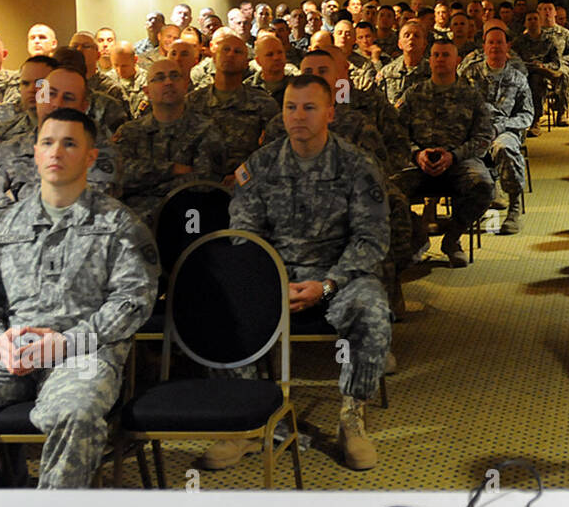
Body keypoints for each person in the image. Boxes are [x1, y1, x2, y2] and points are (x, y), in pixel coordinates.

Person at [204, 75, 391, 472]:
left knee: (372, 309)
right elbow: (245, 235)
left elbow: (371, 239)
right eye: (291, 107)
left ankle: (352, 418)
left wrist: (327, 284)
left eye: (309, 107)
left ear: (329, 113)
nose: (298, 116)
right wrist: (270, 280)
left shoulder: (357, 165)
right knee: (219, 301)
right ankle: (248, 421)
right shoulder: (261, 165)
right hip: (275, 274)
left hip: (338, 277)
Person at [0, 108, 158, 488]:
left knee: (77, 411)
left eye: (70, 143)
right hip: (14, 350)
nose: (56, 152)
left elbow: (133, 303)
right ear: (35, 152)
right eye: (48, 143)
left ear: (90, 157)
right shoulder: (6, 225)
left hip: (85, 349)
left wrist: (64, 343)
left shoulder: (119, 224)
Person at [398, 39, 495, 268]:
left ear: (457, 61)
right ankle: (417, 235)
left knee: (484, 188)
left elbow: (483, 136)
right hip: (419, 163)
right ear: (429, 61)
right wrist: (416, 154)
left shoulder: (470, 95)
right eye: (436, 55)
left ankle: (452, 240)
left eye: (445, 55)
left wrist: (454, 155)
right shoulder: (414, 94)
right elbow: (397, 134)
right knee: (382, 191)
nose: (440, 60)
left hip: (459, 162)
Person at [112, 58, 226, 227]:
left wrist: (143, 184)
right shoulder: (130, 132)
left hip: (188, 218)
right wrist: (172, 169)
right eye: (159, 78)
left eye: (174, 76)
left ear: (185, 85)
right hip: (134, 223)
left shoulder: (205, 129)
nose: (168, 82)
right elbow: (119, 176)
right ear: (147, 91)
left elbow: (203, 183)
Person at [0, 66, 122, 217]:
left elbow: (82, 210)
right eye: (50, 94)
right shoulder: (8, 149)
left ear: (83, 107)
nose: (56, 104)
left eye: (68, 98)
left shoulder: (99, 153)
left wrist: (15, 199)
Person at [460, 26, 532, 235]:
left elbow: (527, 115)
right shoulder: (469, 74)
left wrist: (501, 126)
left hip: (505, 129)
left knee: (504, 147)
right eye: (490, 42)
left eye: (499, 42)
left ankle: (513, 207)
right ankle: (475, 203)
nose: (495, 47)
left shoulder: (517, 77)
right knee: (462, 151)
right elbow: (460, 108)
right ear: (484, 46)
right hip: (475, 131)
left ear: (507, 46)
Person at [185, 31, 279, 183]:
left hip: (247, 184)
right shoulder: (193, 102)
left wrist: (242, 177)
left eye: (238, 52)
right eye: (225, 50)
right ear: (214, 58)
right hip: (198, 183)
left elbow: (274, 151)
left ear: (246, 62)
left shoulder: (263, 103)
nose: (230, 55)